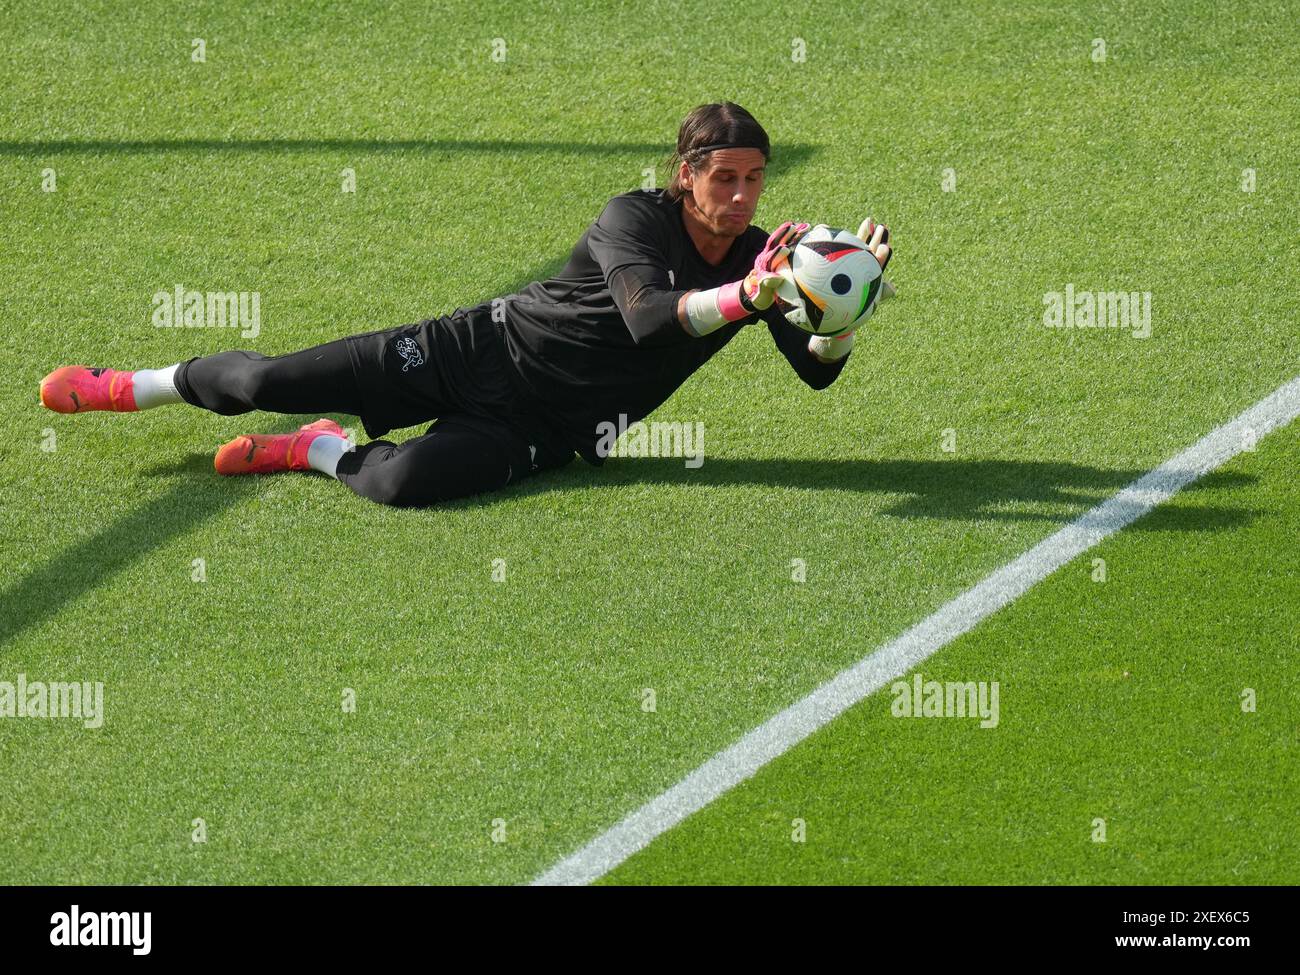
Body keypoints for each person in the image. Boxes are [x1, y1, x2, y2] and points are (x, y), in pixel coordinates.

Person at [38, 102, 893, 507]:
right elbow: (645, 315)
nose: (742, 197)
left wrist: (837, 310)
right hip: (476, 348)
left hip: (549, 430)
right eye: (724, 179)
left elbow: (815, 373)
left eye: (753, 180)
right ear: (686, 176)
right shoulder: (631, 217)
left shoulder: (771, 263)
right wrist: (748, 295)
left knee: (405, 483)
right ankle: (136, 384)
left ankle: (317, 449)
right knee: (269, 375)